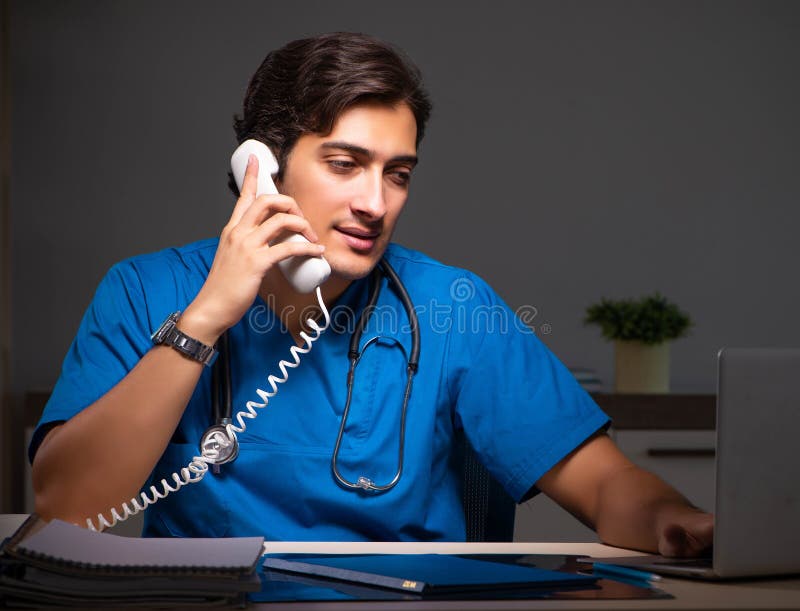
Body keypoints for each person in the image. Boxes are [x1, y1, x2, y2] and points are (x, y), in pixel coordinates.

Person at [30, 32, 712, 555]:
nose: (375, 203)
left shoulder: (454, 306)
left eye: (398, 174)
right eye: (345, 163)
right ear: (260, 170)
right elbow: (64, 504)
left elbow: (605, 483)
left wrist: (679, 521)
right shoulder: (145, 289)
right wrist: (208, 316)